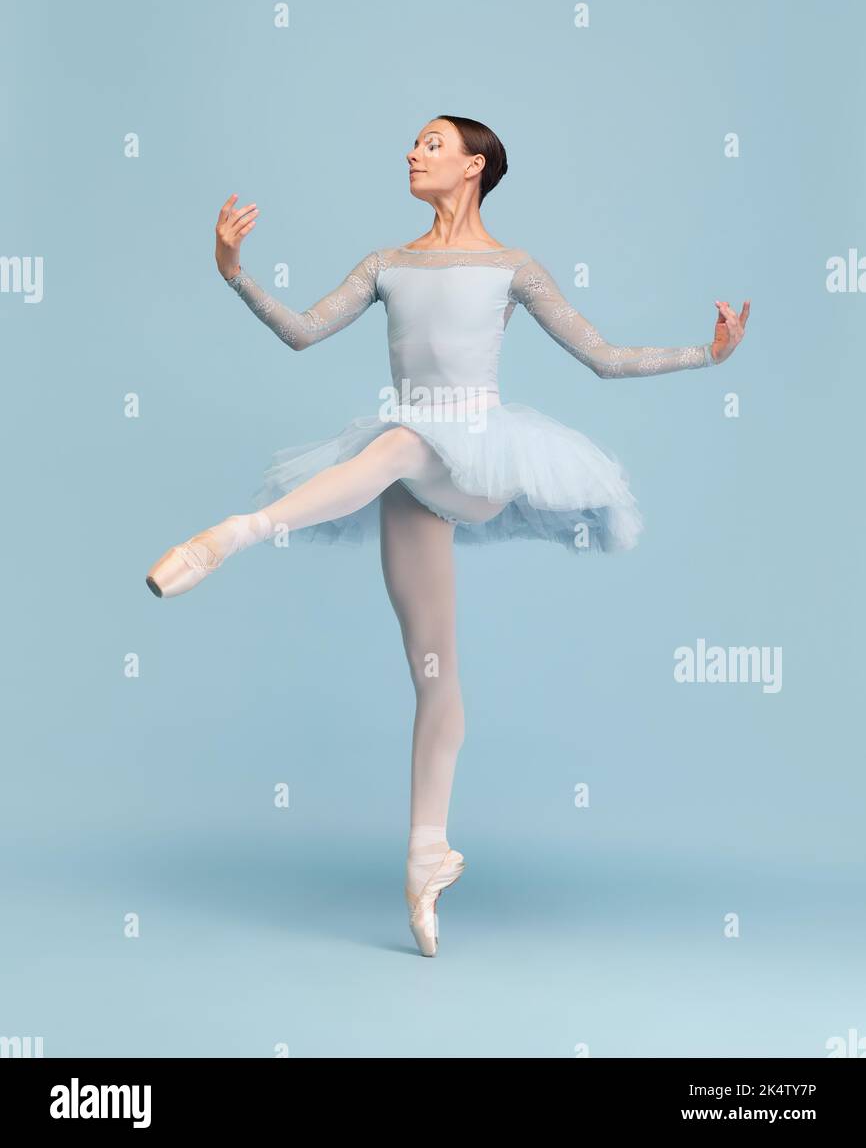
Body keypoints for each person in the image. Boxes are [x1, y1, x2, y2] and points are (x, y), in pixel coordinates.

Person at [145, 115, 750, 956]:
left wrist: (706, 355)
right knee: (434, 670)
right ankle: (426, 859)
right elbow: (302, 331)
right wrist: (233, 272)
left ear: (474, 165)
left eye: (430, 143)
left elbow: (602, 356)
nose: (411, 152)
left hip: (473, 460)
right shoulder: (386, 264)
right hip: (407, 475)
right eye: (412, 142)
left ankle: (235, 535)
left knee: (398, 442)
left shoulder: (511, 268)